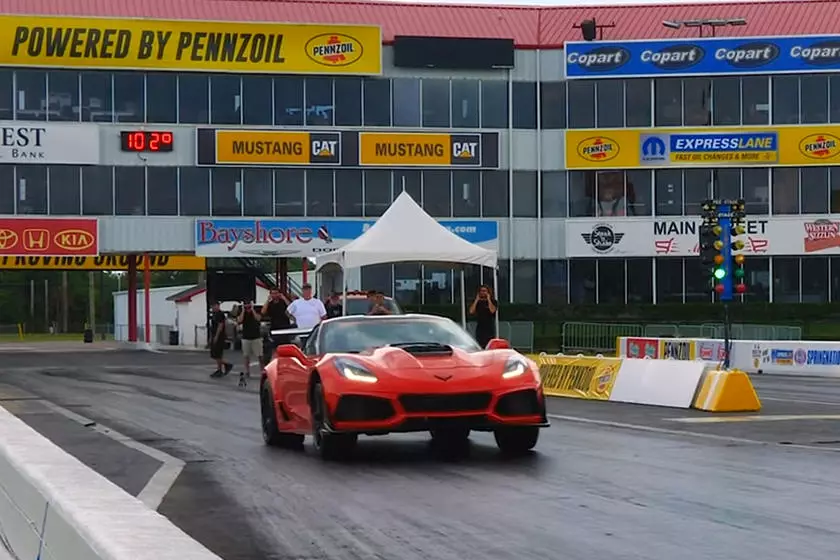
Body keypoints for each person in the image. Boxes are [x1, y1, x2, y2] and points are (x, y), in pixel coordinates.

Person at [261, 288, 292, 360]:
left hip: (285, 328)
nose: (275, 295)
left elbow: (291, 308)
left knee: (286, 347)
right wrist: (267, 301)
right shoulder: (270, 304)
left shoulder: (283, 302)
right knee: (274, 348)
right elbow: (263, 312)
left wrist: (284, 298)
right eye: (273, 293)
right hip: (274, 329)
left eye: (276, 293)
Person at [238, 299, 262, 383]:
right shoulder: (242, 312)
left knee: (259, 355)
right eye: (246, 306)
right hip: (246, 337)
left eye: (248, 305)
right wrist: (243, 310)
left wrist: (252, 310)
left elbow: (258, 318)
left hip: (256, 336)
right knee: (246, 355)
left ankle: (262, 371)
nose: (247, 307)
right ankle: (247, 371)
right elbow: (239, 320)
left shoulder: (255, 311)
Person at [209, 302, 233, 378]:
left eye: (215, 305)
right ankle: (221, 368)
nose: (213, 307)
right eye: (212, 306)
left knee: (217, 353)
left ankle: (224, 367)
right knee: (215, 354)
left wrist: (216, 336)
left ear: (218, 306)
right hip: (214, 335)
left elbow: (220, 325)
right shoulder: (214, 314)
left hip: (219, 336)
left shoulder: (220, 314)